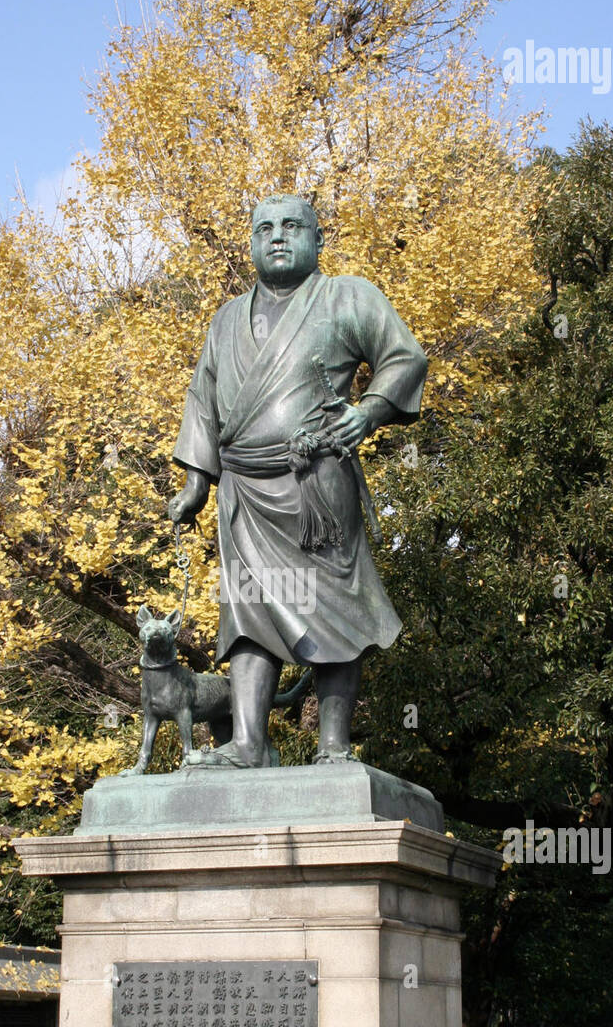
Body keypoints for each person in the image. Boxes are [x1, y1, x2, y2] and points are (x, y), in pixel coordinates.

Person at [168, 193, 428, 767]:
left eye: (291, 226)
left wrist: (369, 410)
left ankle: (333, 746)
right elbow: (203, 399)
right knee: (249, 609)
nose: (278, 236)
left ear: (317, 239)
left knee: (336, 604)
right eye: (265, 228)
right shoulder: (228, 317)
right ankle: (248, 742)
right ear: (253, 242)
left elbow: (405, 357)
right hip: (245, 490)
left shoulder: (347, 297)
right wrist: (195, 479)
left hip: (317, 482)